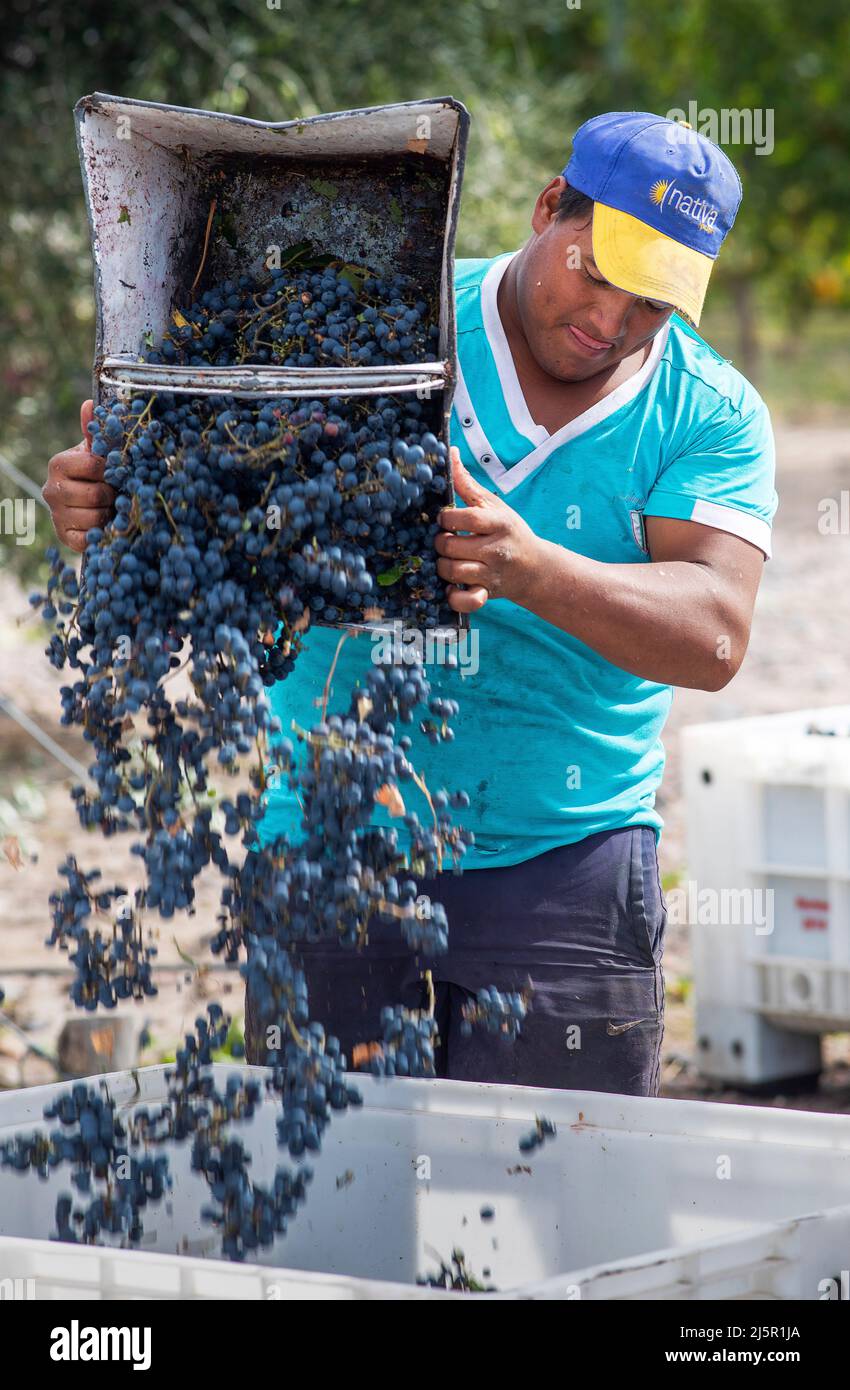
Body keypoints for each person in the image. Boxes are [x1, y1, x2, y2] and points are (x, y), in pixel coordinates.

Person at [43, 112, 776, 1096]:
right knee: (329, 1207)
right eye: (594, 271)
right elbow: (225, 505)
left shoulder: (707, 411)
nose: (610, 318)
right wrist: (112, 504)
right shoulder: (376, 318)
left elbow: (716, 635)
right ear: (548, 206)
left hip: (565, 859)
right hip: (324, 837)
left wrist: (532, 570)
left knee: (565, 1204)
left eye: (650, 301)